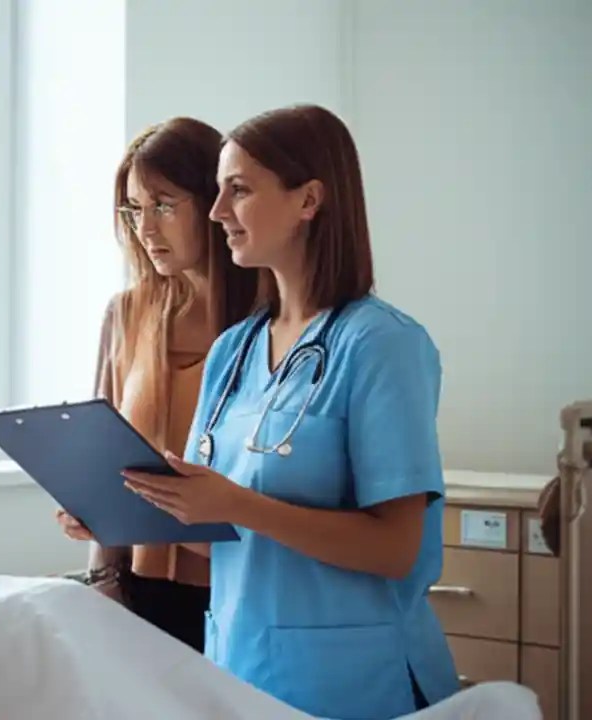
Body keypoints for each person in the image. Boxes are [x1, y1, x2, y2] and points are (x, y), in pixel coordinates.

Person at [122, 104, 462, 719]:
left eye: (239, 191)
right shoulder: (235, 349)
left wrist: (235, 505)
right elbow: (220, 539)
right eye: (218, 192)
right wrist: (118, 510)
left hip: (356, 682)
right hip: (242, 672)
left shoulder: (382, 345)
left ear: (309, 200)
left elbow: (395, 549)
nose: (219, 211)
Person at [54, 117, 259, 652]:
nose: (146, 229)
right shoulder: (126, 314)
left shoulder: (273, 319)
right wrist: (102, 577)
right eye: (134, 209)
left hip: (247, 591)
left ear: (214, 202)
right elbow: (102, 455)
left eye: (164, 205)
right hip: (139, 591)